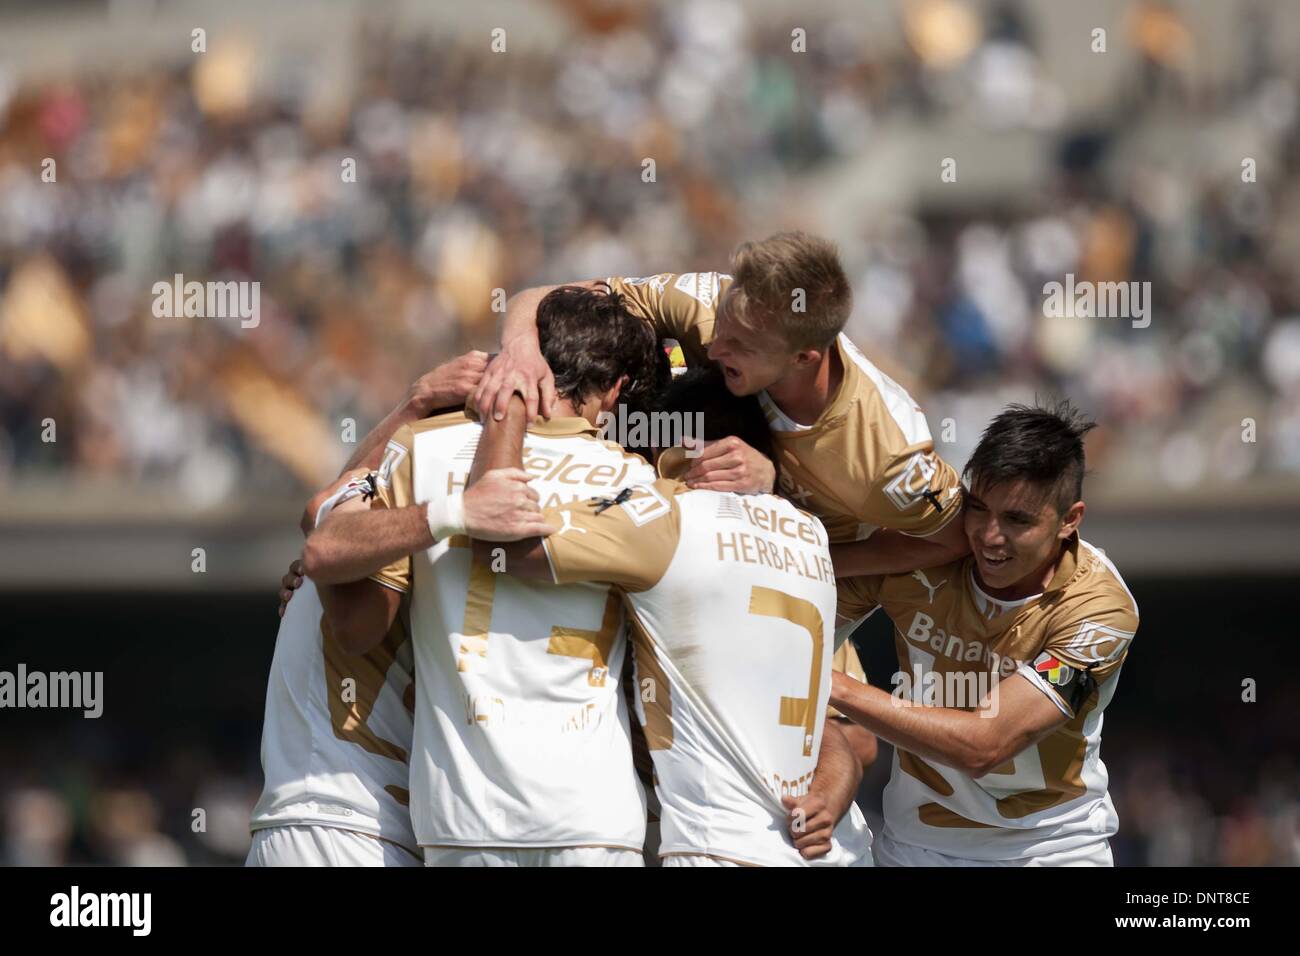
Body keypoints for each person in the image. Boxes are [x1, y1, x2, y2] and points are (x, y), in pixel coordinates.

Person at [300, 285, 669, 866]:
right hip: (593, 817)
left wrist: (313, 579)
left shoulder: (422, 447)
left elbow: (357, 622)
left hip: (462, 816)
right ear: (617, 391)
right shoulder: (640, 484)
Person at [470, 368, 874, 866]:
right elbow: (834, 732)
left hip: (716, 847)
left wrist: (505, 409)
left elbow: (498, 543)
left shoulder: (662, 520)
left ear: (681, 453)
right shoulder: (809, 536)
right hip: (831, 851)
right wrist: (828, 796)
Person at [249, 353, 542, 866]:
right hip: (342, 824)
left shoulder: (406, 517)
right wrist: (417, 406)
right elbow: (325, 527)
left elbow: (325, 523)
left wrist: (417, 403)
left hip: (349, 826)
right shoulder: (419, 522)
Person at [827, 402, 1138, 866]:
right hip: (916, 849)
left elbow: (984, 746)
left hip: (1054, 850)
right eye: (978, 509)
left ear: (1070, 519)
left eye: (1018, 520)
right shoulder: (919, 554)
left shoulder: (1098, 612)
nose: (989, 536)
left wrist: (829, 685)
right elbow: (799, 606)